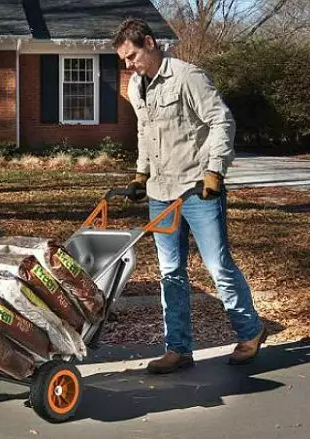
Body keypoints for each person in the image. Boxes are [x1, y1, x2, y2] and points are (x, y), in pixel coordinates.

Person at [112, 18, 267, 374]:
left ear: (150, 43)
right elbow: (144, 131)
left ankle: (249, 331)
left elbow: (221, 121)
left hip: (198, 189)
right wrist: (141, 173)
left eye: (132, 55)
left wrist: (214, 170)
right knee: (170, 272)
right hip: (160, 192)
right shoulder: (137, 85)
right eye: (123, 59)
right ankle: (178, 349)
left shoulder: (187, 76)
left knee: (217, 265)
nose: (128, 64)